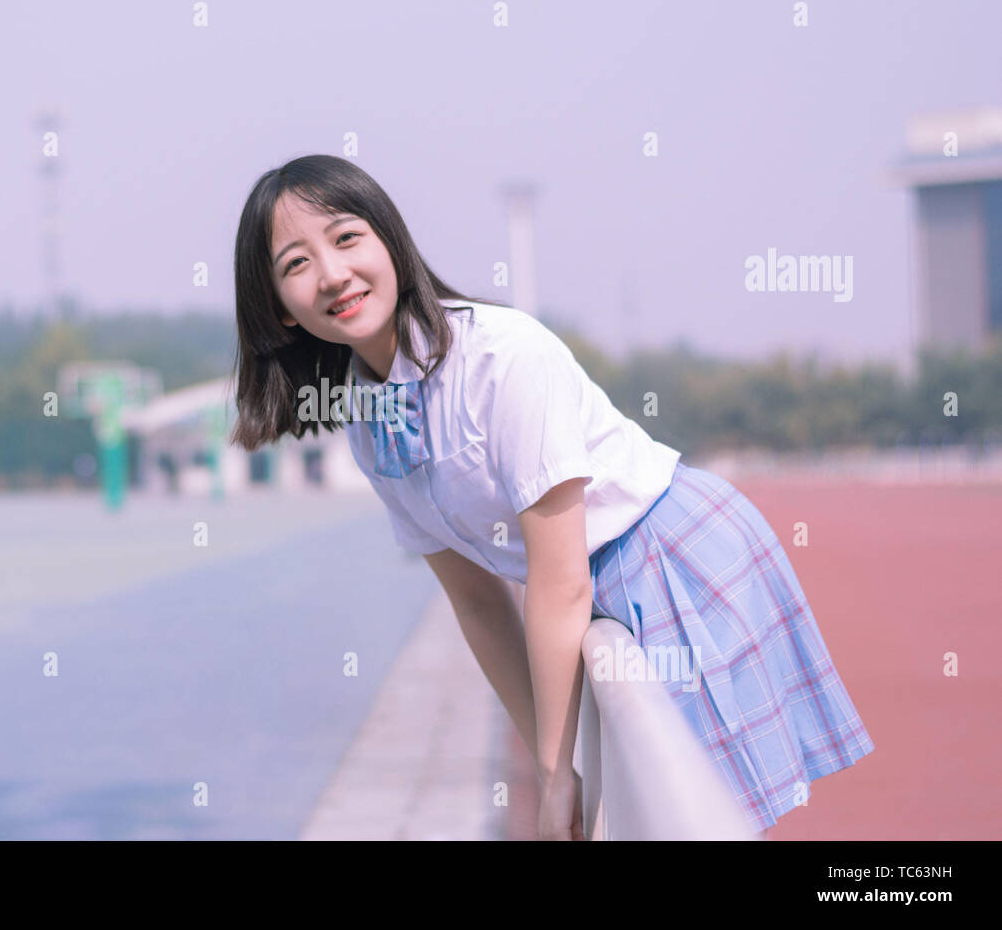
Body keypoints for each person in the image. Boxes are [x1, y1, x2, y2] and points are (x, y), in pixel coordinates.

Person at [229, 154, 875, 840]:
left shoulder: (501, 357)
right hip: (594, 581)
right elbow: (476, 601)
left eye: (347, 237)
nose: (332, 274)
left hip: (668, 554)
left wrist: (553, 771)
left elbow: (559, 581)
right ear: (279, 311)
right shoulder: (367, 419)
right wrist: (551, 755)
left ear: (390, 240)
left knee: (697, 810)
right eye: (296, 263)